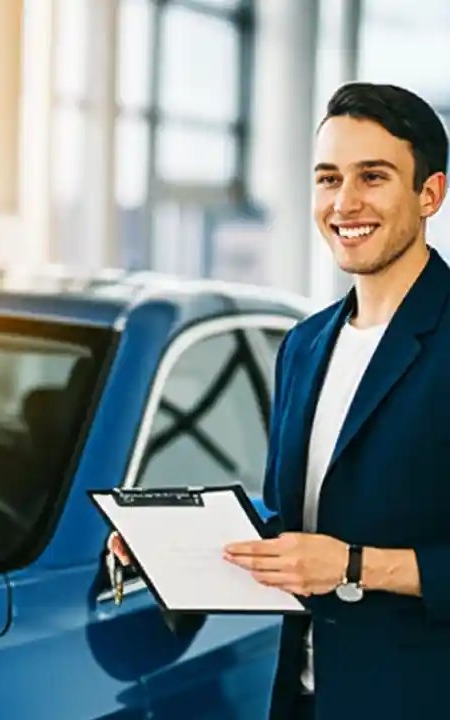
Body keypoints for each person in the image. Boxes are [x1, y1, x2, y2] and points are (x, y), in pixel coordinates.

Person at [111, 82, 450, 720]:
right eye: (328, 179)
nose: (344, 203)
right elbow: (297, 537)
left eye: (372, 177)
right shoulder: (305, 345)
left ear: (429, 193)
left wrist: (354, 567)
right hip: (304, 699)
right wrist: (175, 543)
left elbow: (335, 561)